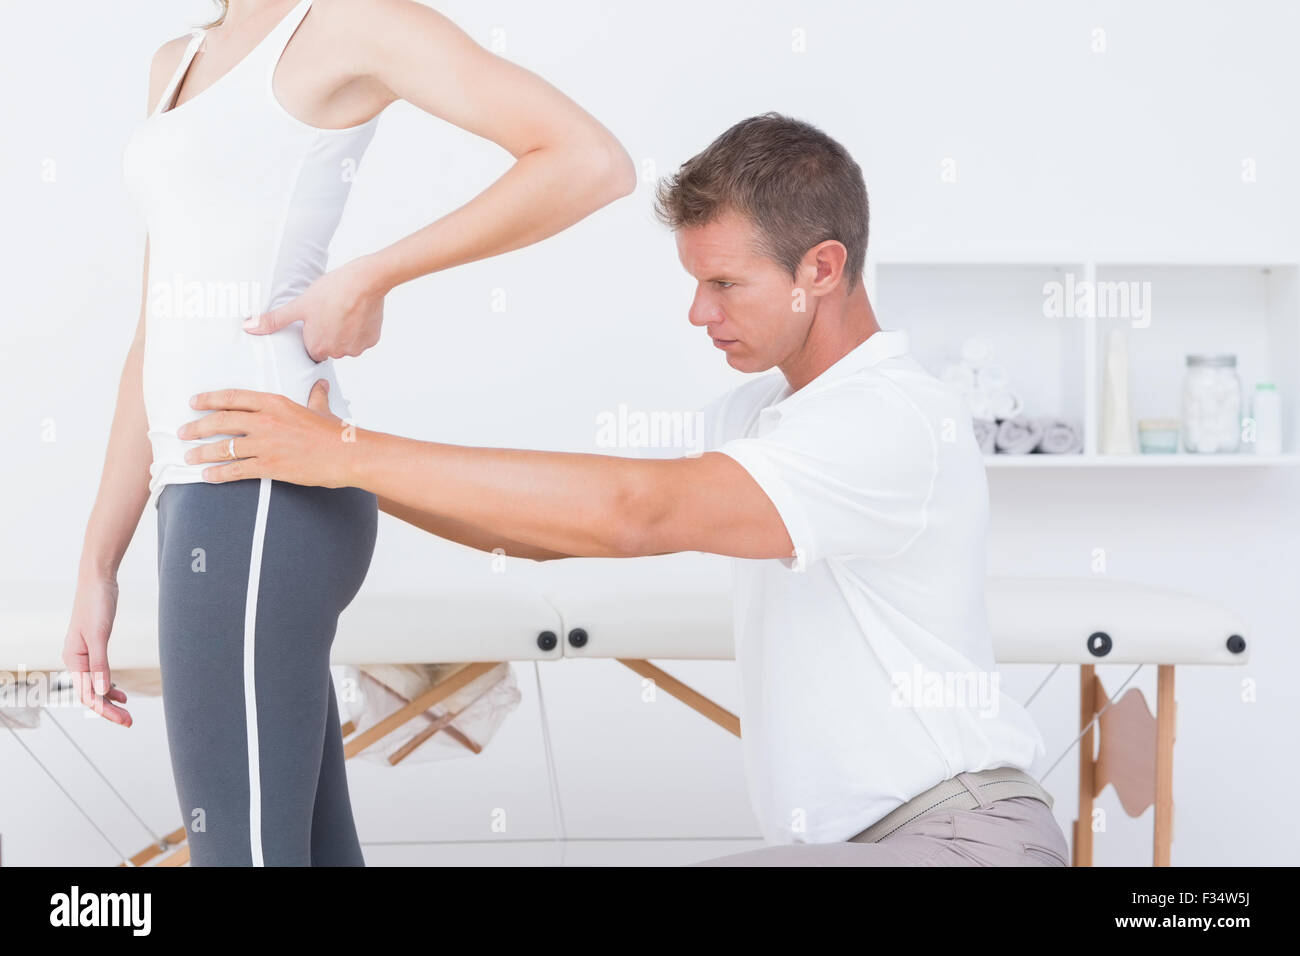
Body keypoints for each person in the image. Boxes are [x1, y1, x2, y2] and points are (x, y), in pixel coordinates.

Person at [177, 112, 1071, 866]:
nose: (699, 313)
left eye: (725, 283)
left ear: (822, 269)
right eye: (695, 283)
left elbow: (632, 514)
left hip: (960, 838)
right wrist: (328, 462)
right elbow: (555, 527)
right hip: (872, 844)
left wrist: (347, 452)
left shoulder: (888, 419)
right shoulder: (761, 415)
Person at [65, 0, 635, 866]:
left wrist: (375, 274)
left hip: (262, 491)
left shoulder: (350, 22)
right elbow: (154, 332)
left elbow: (590, 162)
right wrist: (96, 565)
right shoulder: (177, 60)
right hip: (202, 499)